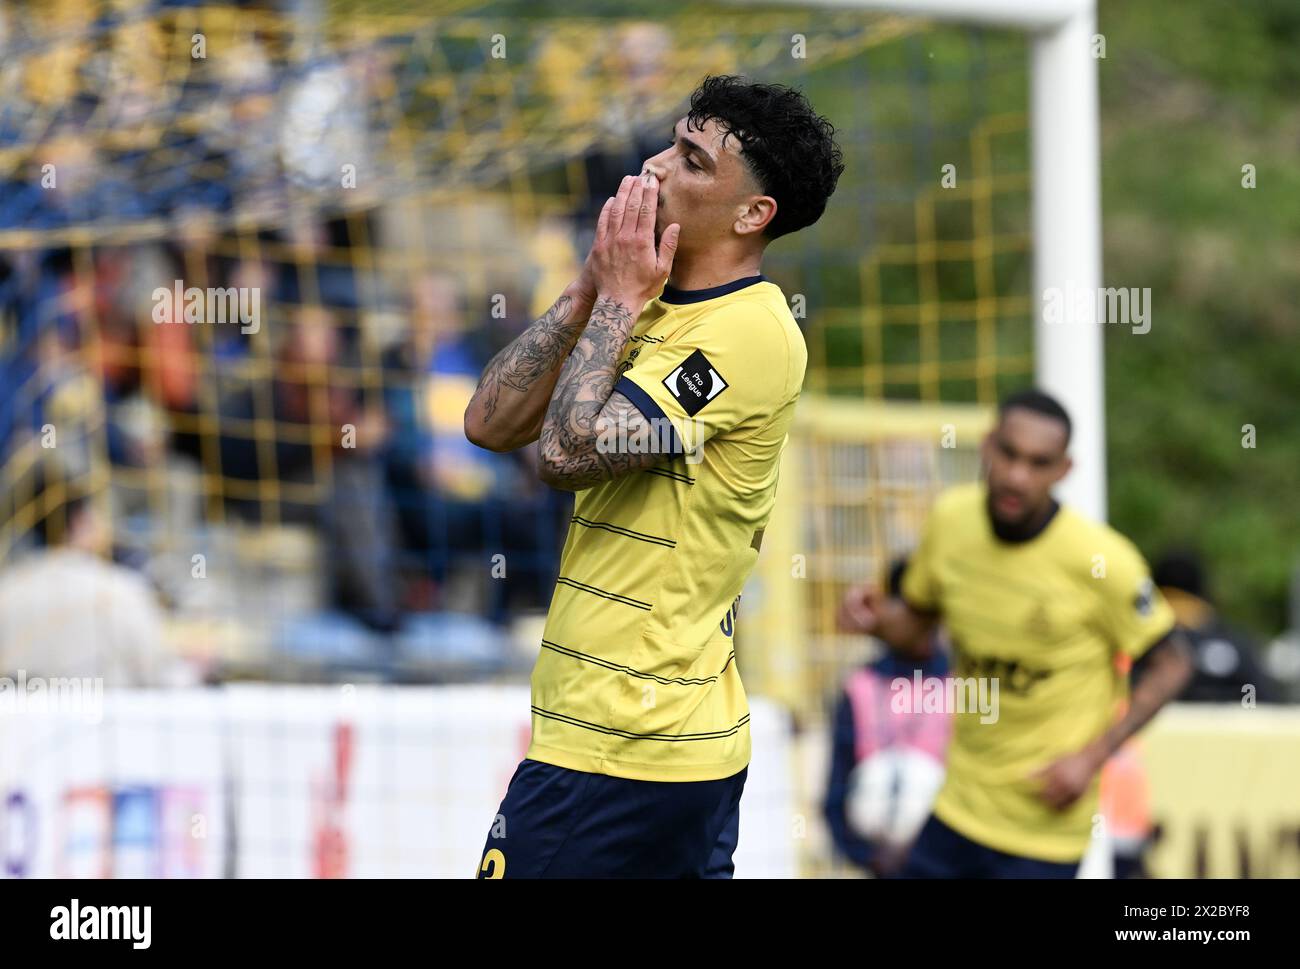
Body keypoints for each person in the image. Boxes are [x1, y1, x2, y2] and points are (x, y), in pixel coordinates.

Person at [465, 75, 843, 878]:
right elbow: (489, 425)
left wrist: (616, 301)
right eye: (671, 141)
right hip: (648, 744)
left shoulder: (748, 332)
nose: (656, 166)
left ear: (753, 215)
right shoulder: (642, 303)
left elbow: (563, 455)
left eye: (693, 161)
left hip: (627, 748)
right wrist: (584, 295)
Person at [838, 389, 1195, 878]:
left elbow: (1174, 663)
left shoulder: (1103, 561)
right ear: (987, 445)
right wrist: (876, 619)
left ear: (1063, 471)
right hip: (957, 806)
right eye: (1008, 454)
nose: (1016, 476)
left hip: (1043, 833)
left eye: (1038, 462)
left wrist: (1092, 758)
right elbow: (917, 628)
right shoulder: (951, 522)